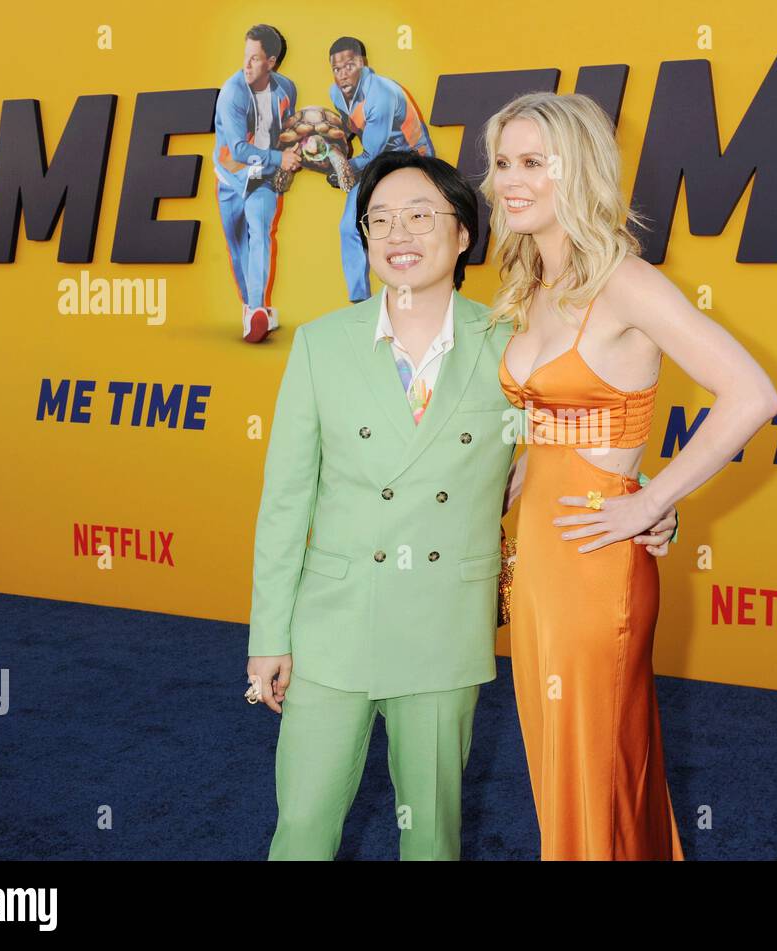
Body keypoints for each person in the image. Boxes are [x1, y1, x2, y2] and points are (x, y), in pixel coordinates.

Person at [245, 149, 677, 860]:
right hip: (331, 628)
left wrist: (645, 502)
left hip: (445, 629)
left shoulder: (508, 343)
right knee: (301, 829)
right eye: (378, 220)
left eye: (420, 215)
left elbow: (574, 446)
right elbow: (285, 504)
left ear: (464, 234)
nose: (398, 234)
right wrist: (270, 636)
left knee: (432, 837)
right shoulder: (322, 345)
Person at [482, 92, 777, 860]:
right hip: (541, 560)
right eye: (501, 162)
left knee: (595, 768)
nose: (508, 180)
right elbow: (556, 425)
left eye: (531, 163)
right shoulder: (531, 283)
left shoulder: (627, 282)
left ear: (575, 170)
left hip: (596, 563)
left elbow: (752, 394)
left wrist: (650, 498)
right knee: (565, 768)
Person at [327, 36, 436, 304]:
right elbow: (348, 128)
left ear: (363, 63)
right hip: (375, 163)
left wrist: (343, 167)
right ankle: (359, 301)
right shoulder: (335, 93)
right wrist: (331, 147)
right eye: (337, 69)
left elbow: (371, 155)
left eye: (349, 66)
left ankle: (424, 292)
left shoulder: (382, 94)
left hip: (411, 161)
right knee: (348, 228)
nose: (343, 74)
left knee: (410, 228)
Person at [213, 24, 300, 343]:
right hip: (230, 176)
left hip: (263, 179)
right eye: (245, 57)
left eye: (254, 59)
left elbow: (287, 128)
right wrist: (281, 159)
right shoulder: (232, 92)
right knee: (238, 247)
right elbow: (237, 149)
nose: (246, 65)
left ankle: (257, 311)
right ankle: (252, 306)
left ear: (272, 62)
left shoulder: (287, 89)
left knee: (260, 234)